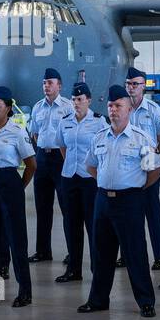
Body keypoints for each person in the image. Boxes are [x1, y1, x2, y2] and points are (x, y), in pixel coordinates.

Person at [79, 84, 160, 318]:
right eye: (110, 106)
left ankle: (146, 301)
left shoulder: (140, 138)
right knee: (102, 253)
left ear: (128, 109)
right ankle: (98, 300)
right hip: (103, 200)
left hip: (130, 201)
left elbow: (154, 170)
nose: (113, 110)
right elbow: (91, 166)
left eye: (118, 106)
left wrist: (134, 188)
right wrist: (108, 184)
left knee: (135, 252)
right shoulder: (100, 137)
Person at [0, 86, 37, 307]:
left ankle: (25, 291)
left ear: (8, 108)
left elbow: (31, 164)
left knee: (16, 239)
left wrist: (18, 187)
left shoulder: (17, 132)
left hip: (10, 181)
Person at [53, 82, 108, 283]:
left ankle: (97, 269)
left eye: (80, 99)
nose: (76, 103)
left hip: (89, 181)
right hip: (69, 178)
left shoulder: (99, 122)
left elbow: (104, 150)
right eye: (74, 99)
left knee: (93, 225)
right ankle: (74, 269)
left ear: (89, 100)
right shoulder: (65, 121)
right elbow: (62, 147)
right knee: (71, 224)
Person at [27, 67, 73, 263]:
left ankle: (73, 252)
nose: (46, 86)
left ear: (59, 85)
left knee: (67, 208)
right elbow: (34, 134)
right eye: (44, 83)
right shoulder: (38, 107)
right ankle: (43, 251)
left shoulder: (68, 106)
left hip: (61, 158)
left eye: (50, 83)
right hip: (42, 159)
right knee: (42, 208)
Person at [125, 67, 160, 269]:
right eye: (129, 84)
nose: (131, 88)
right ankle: (126, 255)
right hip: (127, 166)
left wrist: (154, 166)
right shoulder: (121, 107)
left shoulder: (154, 111)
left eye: (135, 84)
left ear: (143, 86)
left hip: (148, 162)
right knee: (128, 214)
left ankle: (159, 256)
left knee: (152, 212)